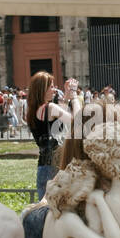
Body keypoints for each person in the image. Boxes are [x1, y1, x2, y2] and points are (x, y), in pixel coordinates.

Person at [28, 71, 72, 200]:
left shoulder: (34, 110)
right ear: (42, 89)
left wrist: (66, 97)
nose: (54, 90)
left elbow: (57, 116)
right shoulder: (51, 107)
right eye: (51, 86)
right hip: (55, 167)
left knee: (46, 212)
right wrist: (74, 98)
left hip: (42, 167)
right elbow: (76, 120)